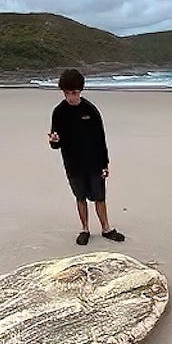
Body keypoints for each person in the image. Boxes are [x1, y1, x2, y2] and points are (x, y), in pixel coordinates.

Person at [48, 69, 125, 246]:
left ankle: (106, 228)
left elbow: (100, 138)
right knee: (80, 197)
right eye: (67, 93)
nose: (71, 97)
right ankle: (85, 229)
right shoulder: (59, 112)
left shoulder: (90, 110)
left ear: (80, 91)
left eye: (74, 93)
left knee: (99, 197)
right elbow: (55, 142)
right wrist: (54, 141)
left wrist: (105, 164)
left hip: (94, 162)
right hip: (72, 163)